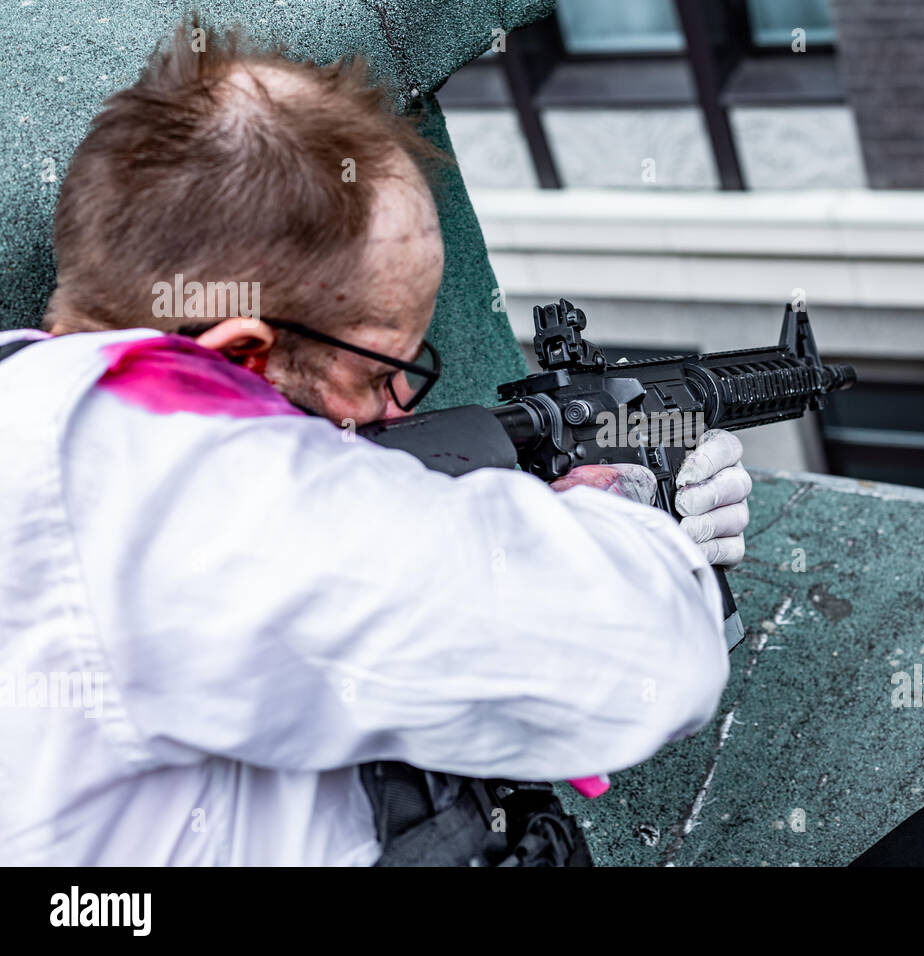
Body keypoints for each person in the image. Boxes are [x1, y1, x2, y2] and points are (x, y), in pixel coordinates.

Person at [0, 17, 751, 865]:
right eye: (381, 370)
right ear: (243, 352)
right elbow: (648, 660)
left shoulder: (41, 414)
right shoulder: (188, 494)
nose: (399, 406)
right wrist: (632, 522)